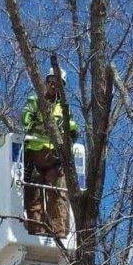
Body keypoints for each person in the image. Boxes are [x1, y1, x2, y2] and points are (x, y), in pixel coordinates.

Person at [22, 67, 78, 237]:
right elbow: (24, 116)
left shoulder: (65, 108)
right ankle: (36, 230)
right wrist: (30, 117)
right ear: (46, 83)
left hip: (55, 158)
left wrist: (72, 131)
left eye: (58, 83)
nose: (54, 86)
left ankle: (59, 232)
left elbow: (72, 127)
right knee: (34, 195)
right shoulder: (35, 100)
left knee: (58, 195)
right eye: (51, 82)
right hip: (34, 153)